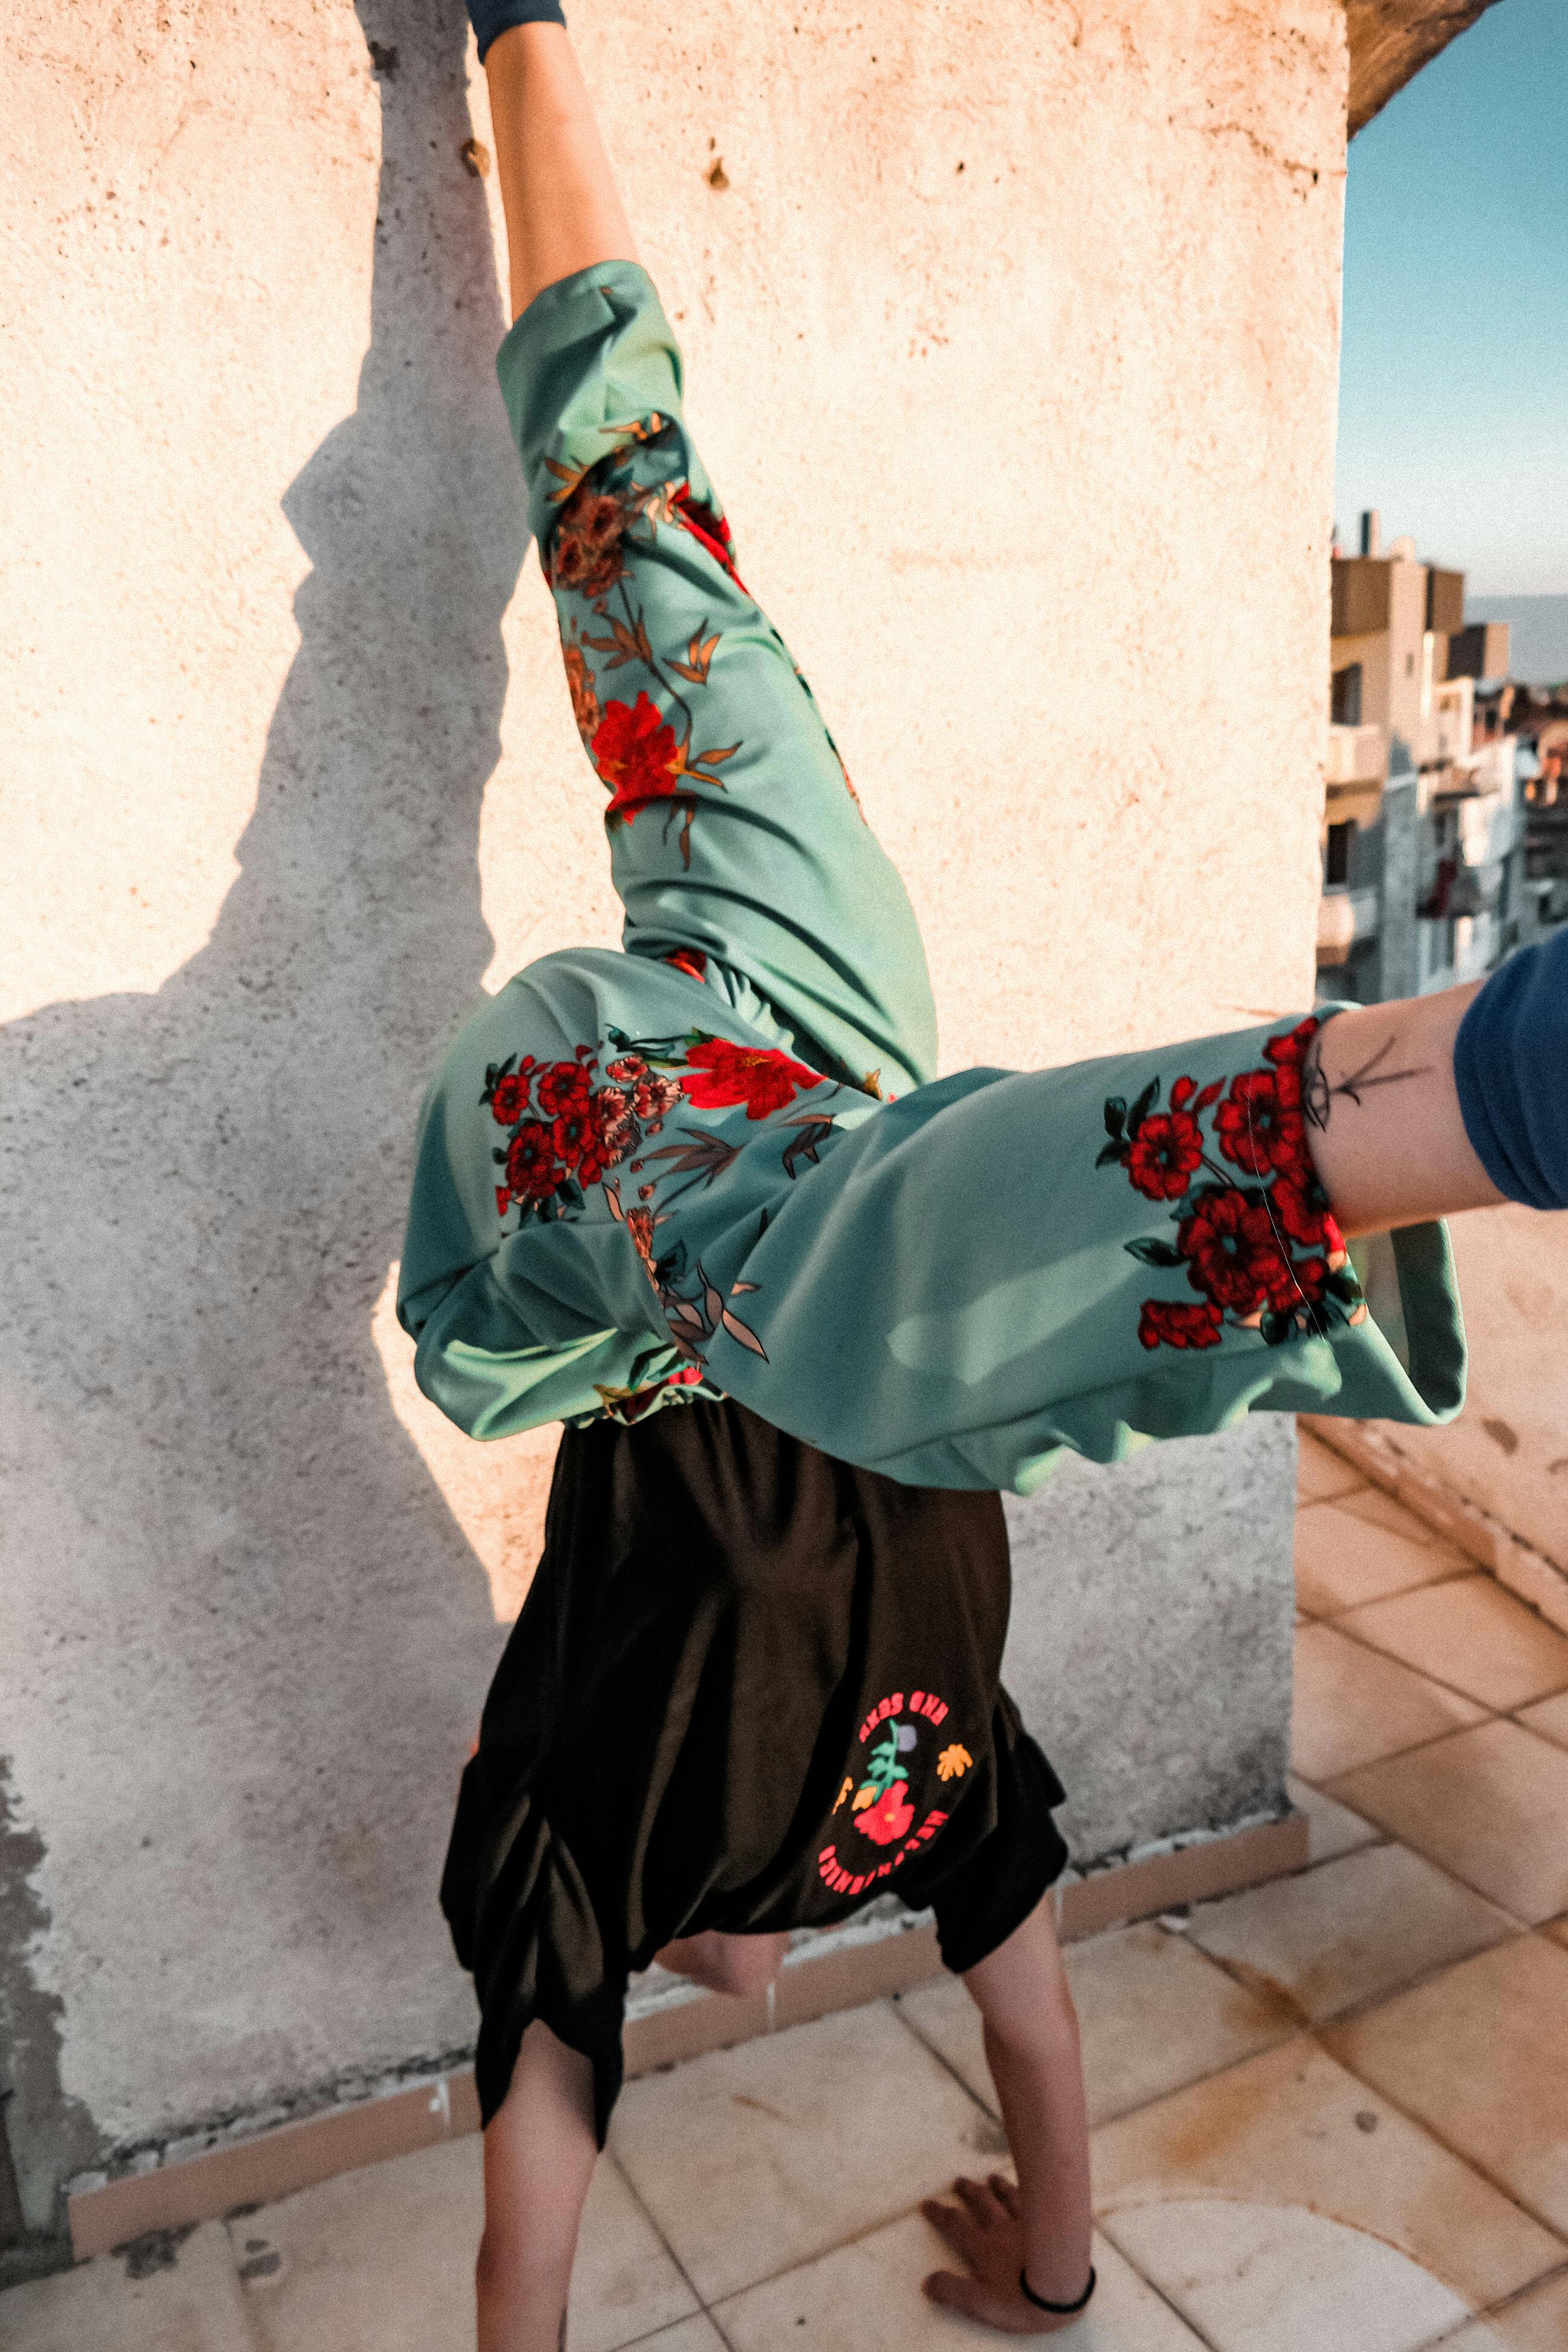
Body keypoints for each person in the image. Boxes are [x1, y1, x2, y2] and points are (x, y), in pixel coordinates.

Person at [399, 9, 1567, 2345]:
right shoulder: (890, 1775)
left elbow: (554, 2137)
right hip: (738, 1083)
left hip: (658, 1171)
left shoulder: (646, 1775)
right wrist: (1054, 2279)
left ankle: (1496, 1079)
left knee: (645, 543)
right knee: (643, 539)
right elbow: (970, 2025)